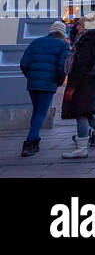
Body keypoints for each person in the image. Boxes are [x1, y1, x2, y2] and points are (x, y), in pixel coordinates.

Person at [61, 18, 95, 158]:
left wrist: (73, 84)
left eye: (79, 26)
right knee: (88, 112)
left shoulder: (87, 40)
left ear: (85, 26)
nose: (77, 29)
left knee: (80, 112)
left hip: (85, 81)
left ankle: (81, 148)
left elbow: (82, 64)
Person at [19, 21, 69, 157]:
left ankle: (34, 139)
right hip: (48, 84)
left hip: (33, 83)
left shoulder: (36, 42)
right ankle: (29, 143)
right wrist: (57, 82)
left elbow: (24, 63)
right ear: (62, 32)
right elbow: (62, 67)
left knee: (37, 112)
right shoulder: (64, 45)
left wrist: (30, 77)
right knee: (41, 113)